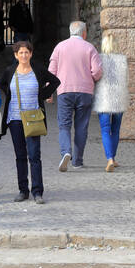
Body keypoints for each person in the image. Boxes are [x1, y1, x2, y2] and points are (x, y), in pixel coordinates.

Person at [0, 40, 59, 204]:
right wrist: (9, 96)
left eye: (26, 52)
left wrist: (43, 95)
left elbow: (55, 81)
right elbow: (2, 84)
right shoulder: (10, 70)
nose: (24, 55)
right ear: (16, 55)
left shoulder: (37, 69)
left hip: (33, 118)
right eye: (20, 53)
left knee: (34, 155)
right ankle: (23, 190)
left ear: (31, 54)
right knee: (20, 156)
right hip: (15, 119)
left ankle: (37, 191)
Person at [48, 21, 102, 171]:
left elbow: (51, 71)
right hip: (84, 91)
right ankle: (77, 161)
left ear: (70, 32)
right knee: (81, 126)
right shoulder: (90, 48)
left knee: (64, 125)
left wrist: (48, 92)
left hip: (64, 90)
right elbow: (97, 71)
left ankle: (66, 151)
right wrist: (91, 78)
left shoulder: (60, 47)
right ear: (84, 33)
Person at [94, 46, 129, 172]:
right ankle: (113, 159)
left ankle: (109, 159)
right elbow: (126, 79)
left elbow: (95, 75)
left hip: (104, 98)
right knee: (115, 130)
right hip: (119, 97)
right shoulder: (122, 59)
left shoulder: (98, 58)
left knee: (105, 130)